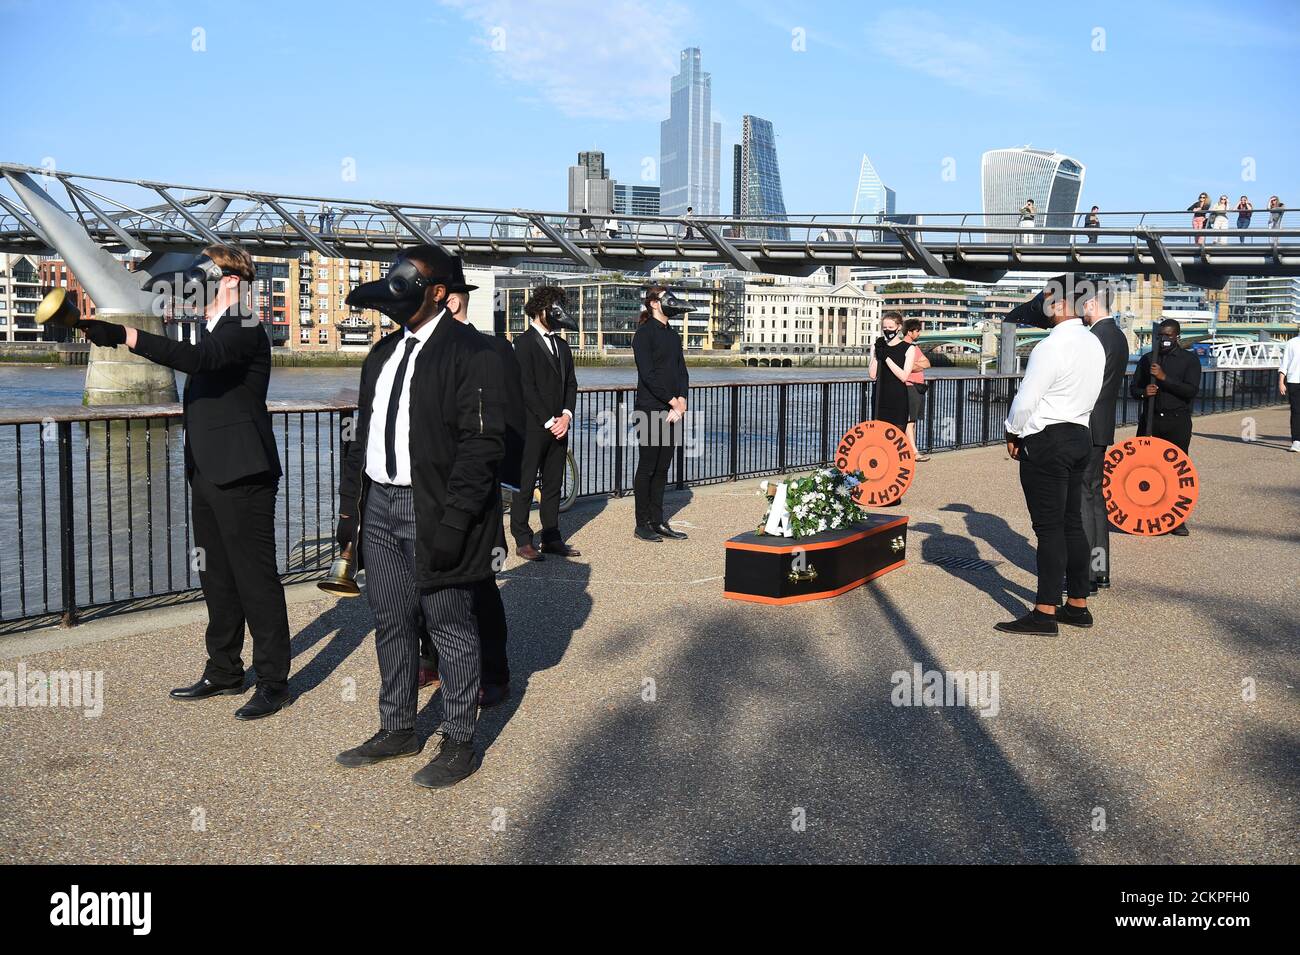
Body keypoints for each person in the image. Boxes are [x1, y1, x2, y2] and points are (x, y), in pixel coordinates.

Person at [77, 244, 292, 719]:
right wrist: (108, 332)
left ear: (231, 281)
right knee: (216, 576)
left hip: (244, 472)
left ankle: (274, 681)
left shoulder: (246, 325)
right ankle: (224, 671)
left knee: (255, 578)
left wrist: (127, 334)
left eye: (203, 275)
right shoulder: (209, 326)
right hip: (208, 469)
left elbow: (199, 362)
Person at [333, 244, 505, 789]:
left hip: (434, 508)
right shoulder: (381, 356)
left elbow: (482, 447)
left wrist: (455, 524)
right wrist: (349, 516)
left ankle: (459, 740)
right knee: (390, 621)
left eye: (409, 282)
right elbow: (358, 442)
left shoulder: (472, 353)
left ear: (437, 292)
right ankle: (398, 727)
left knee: (450, 624)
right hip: (379, 505)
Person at [996, 276, 1105, 635]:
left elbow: (1027, 398)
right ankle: (1077, 605)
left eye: (1045, 299)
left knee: (1048, 528)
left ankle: (1044, 612)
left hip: (1047, 439)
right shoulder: (1094, 344)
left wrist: (1012, 431)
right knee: (1072, 522)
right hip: (1080, 436)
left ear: (1058, 304)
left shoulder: (1050, 346)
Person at [439, 287, 524, 707]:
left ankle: (494, 673)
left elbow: (508, 419)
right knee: (426, 582)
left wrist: (505, 480)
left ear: (450, 301)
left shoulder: (491, 350)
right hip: (424, 488)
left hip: (474, 488)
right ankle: (430, 659)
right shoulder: (415, 349)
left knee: (481, 585)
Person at [512, 285, 581, 561]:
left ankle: (552, 537)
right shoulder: (522, 343)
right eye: (554, 307)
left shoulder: (563, 346)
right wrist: (549, 420)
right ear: (541, 309)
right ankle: (523, 539)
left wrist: (567, 415)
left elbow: (572, 384)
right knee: (525, 485)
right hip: (532, 428)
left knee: (554, 484)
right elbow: (525, 387)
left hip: (559, 427)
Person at [1078, 282, 1129, 591]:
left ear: (1092, 304)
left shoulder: (1094, 338)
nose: (1082, 311)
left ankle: (1085, 575)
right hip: (1104, 424)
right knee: (1096, 497)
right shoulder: (1119, 337)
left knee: (1082, 497)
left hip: (1085, 422)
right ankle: (1100, 570)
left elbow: (1085, 384)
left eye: (1084, 305)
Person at [1130, 319, 1201, 537]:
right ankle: (1150, 516)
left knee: (1175, 472)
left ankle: (1177, 520)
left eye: (1168, 336)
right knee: (1145, 469)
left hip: (1176, 422)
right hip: (1150, 421)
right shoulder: (1146, 360)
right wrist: (1144, 392)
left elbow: (1190, 391)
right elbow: (1134, 388)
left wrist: (1164, 378)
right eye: (1160, 335)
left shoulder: (1189, 360)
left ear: (1177, 336)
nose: (1164, 340)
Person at [632, 285, 691, 542]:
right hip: (650, 409)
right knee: (647, 467)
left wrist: (683, 400)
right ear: (654, 303)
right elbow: (648, 375)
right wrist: (671, 401)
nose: (672, 302)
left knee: (663, 468)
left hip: (672, 412)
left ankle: (657, 520)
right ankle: (641, 523)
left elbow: (681, 370)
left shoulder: (673, 335)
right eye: (666, 297)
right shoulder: (643, 335)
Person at [889, 318, 931, 463]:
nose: (919, 333)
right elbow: (904, 368)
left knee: (911, 421)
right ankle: (913, 452)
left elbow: (927, 363)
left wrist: (912, 365)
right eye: (917, 331)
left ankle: (909, 450)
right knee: (909, 421)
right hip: (909, 386)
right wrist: (914, 365)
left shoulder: (914, 347)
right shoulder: (902, 347)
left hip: (917, 387)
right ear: (910, 332)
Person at [1281, 334, 1300, 453]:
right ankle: (1296, 441)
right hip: (1294, 381)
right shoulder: (1291, 343)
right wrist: (1281, 381)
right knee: (1296, 411)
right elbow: (1285, 362)